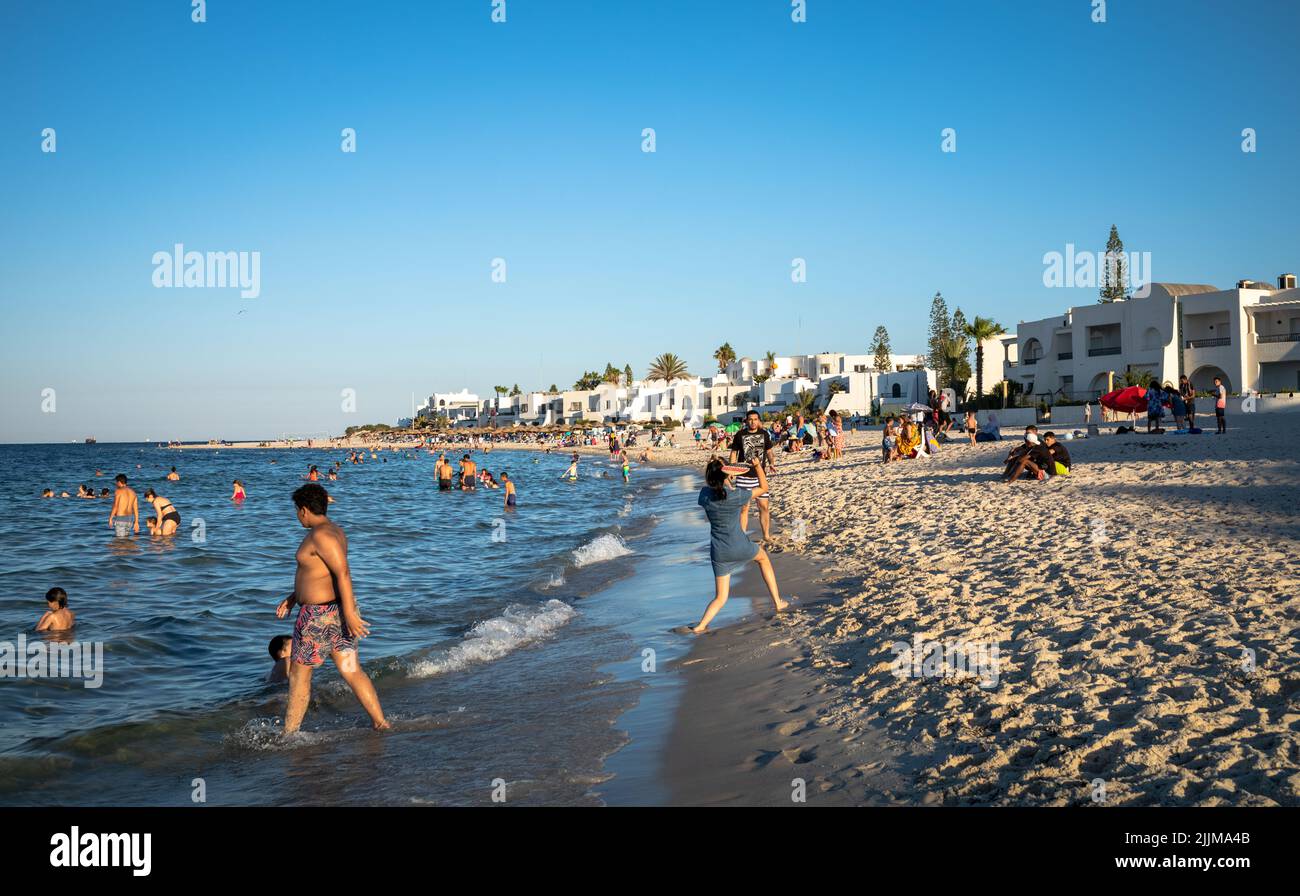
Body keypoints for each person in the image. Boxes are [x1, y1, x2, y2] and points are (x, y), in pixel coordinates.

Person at [275, 484, 388, 733]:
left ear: (304, 510)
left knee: (299, 676)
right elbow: (321, 574)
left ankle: (289, 735)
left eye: (297, 510)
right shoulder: (333, 531)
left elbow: (342, 573)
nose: (297, 515)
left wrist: (349, 613)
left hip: (318, 616)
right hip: (332, 610)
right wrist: (294, 597)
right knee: (350, 670)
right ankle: (380, 722)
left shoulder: (321, 535)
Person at [685, 459, 790, 633]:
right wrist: (757, 467)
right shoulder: (737, 495)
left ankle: (701, 625)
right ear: (727, 474)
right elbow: (764, 488)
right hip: (739, 545)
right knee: (763, 558)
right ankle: (778, 602)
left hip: (719, 552)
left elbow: (715, 489)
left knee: (720, 597)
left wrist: (726, 477)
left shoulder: (704, 495)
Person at [729, 410, 775, 542]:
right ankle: (742, 536)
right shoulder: (740, 434)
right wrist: (732, 470)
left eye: (755, 419)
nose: (753, 422)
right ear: (746, 421)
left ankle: (766, 535)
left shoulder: (764, 434)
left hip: (760, 477)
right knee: (744, 508)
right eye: (750, 419)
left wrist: (772, 463)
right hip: (744, 476)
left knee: (764, 507)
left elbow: (769, 452)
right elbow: (733, 453)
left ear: (759, 420)